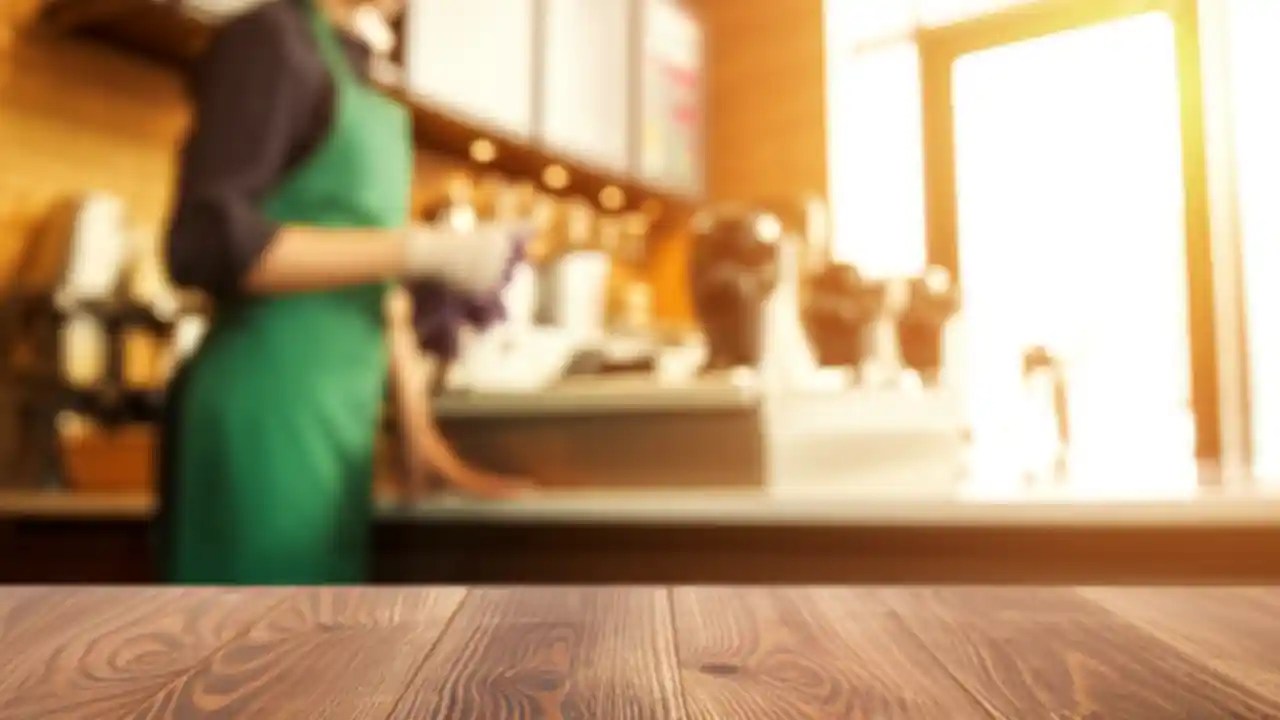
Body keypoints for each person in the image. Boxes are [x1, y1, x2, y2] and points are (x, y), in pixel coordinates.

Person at [160, 0, 528, 585]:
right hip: (268, 413)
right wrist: (421, 250)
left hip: (342, 428)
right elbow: (207, 244)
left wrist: (418, 431)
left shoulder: (359, 74)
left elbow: (380, 294)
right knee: (247, 656)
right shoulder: (269, 44)